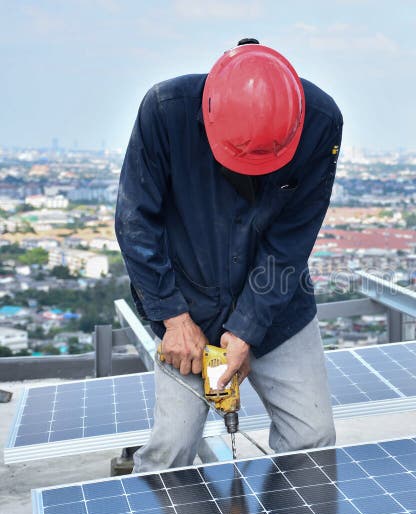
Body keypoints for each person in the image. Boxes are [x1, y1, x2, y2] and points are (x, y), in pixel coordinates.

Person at [115, 38, 341, 472]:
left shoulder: (321, 122)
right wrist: (174, 319)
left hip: (277, 305)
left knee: (313, 439)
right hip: (188, 311)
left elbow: (292, 239)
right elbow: (135, 222)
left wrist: (246, 329)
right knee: (170, 450)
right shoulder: (166, 112)